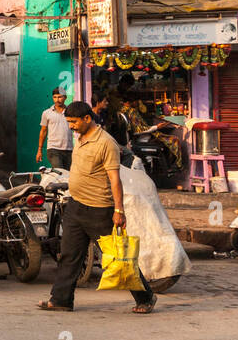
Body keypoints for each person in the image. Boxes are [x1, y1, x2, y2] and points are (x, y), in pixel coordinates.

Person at [38, 101, 157, 315]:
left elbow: (114, 179)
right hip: (76, 205)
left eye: (74, 122)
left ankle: (146, 297)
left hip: (99, 209)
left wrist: (119, 210)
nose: (71, 126)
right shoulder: (81, 138)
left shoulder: (106, 143)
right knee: (69, 255)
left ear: (87, 118)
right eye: (69, 122)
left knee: (117, 256)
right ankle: (61, 300)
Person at [36, 89, 72, 170]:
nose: (57, 100)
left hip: (69, 149)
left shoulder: (70, 112)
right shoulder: (46, 113)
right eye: (55, 97)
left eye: (60, 97)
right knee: (59, 173)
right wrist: (39, 150)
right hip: (53, 149)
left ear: (65, 97)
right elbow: (43, 131)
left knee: (68, 176)